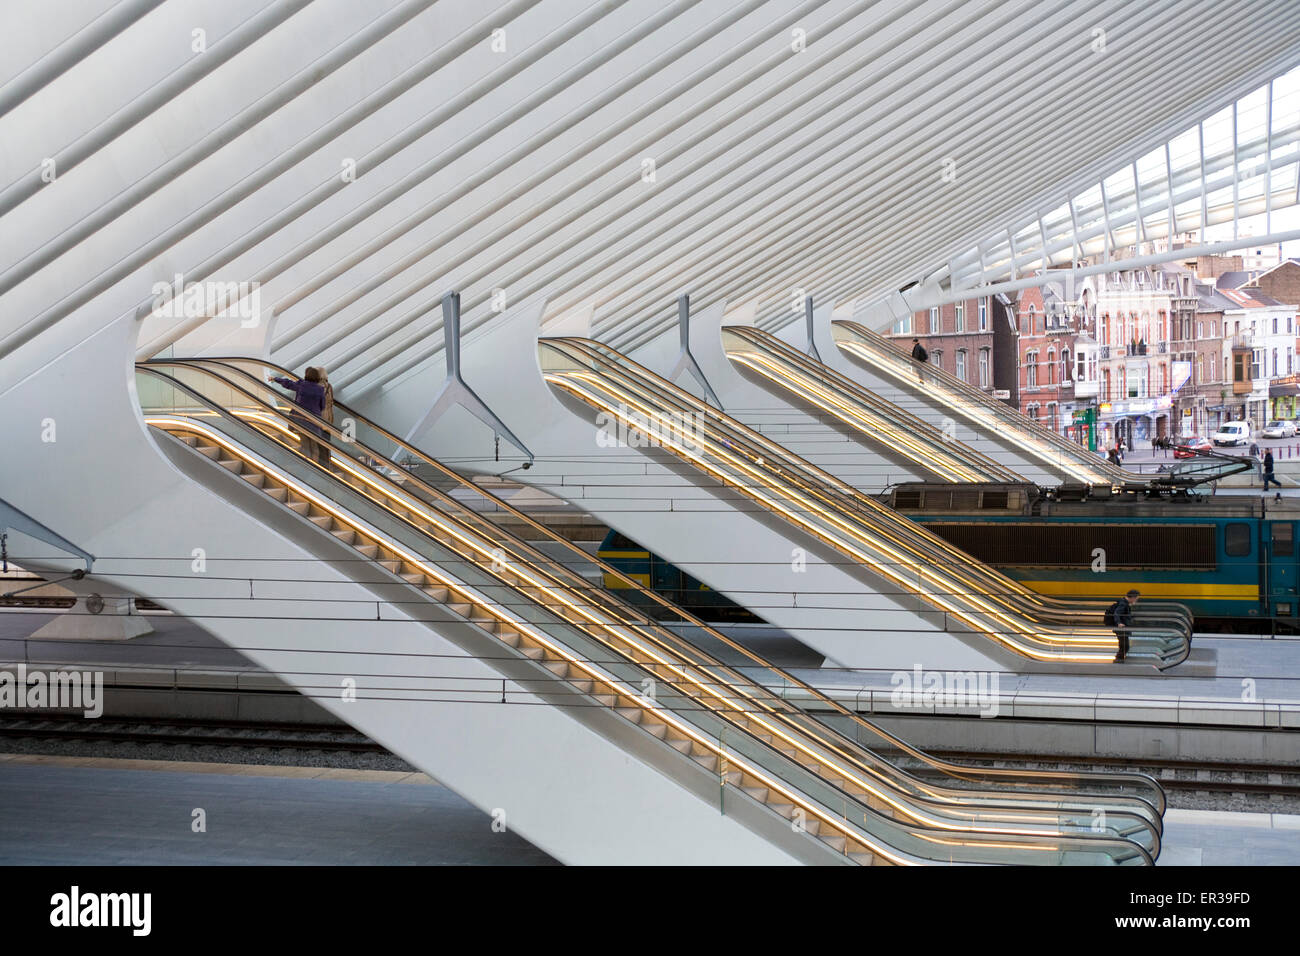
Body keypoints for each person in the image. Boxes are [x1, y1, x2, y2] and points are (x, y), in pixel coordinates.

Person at [272, 367, 327, 464]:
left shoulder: (302, 385)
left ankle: (307, 465)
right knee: (314, 445)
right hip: (314, 420)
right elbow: (322, 406)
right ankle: (317, 467)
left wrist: (275, 379)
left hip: (301, 418)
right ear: (317, 377)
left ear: (307, 375)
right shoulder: (320, 390)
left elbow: (288, 383)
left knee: (305, 443)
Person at [1105, 589, 1140, 662]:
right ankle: (1118, 659)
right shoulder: (1123, 604)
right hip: (1121, 628)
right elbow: (1117, 613)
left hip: (1122, 627)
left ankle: (1119, 659)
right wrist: (1119, 623)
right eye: (1136, 599)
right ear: (1133, 597)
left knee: (1124, 645)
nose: (1136, 601)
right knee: (1125, 646)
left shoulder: (1124, 603)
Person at [316, 368, 336, 467]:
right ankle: (327, 464)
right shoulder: (329, 386)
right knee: (326, 442)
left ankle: (321, 465)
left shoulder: (315, 386)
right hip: (328, 417)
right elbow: (331, 401)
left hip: (319, 417)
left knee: (318, 443)